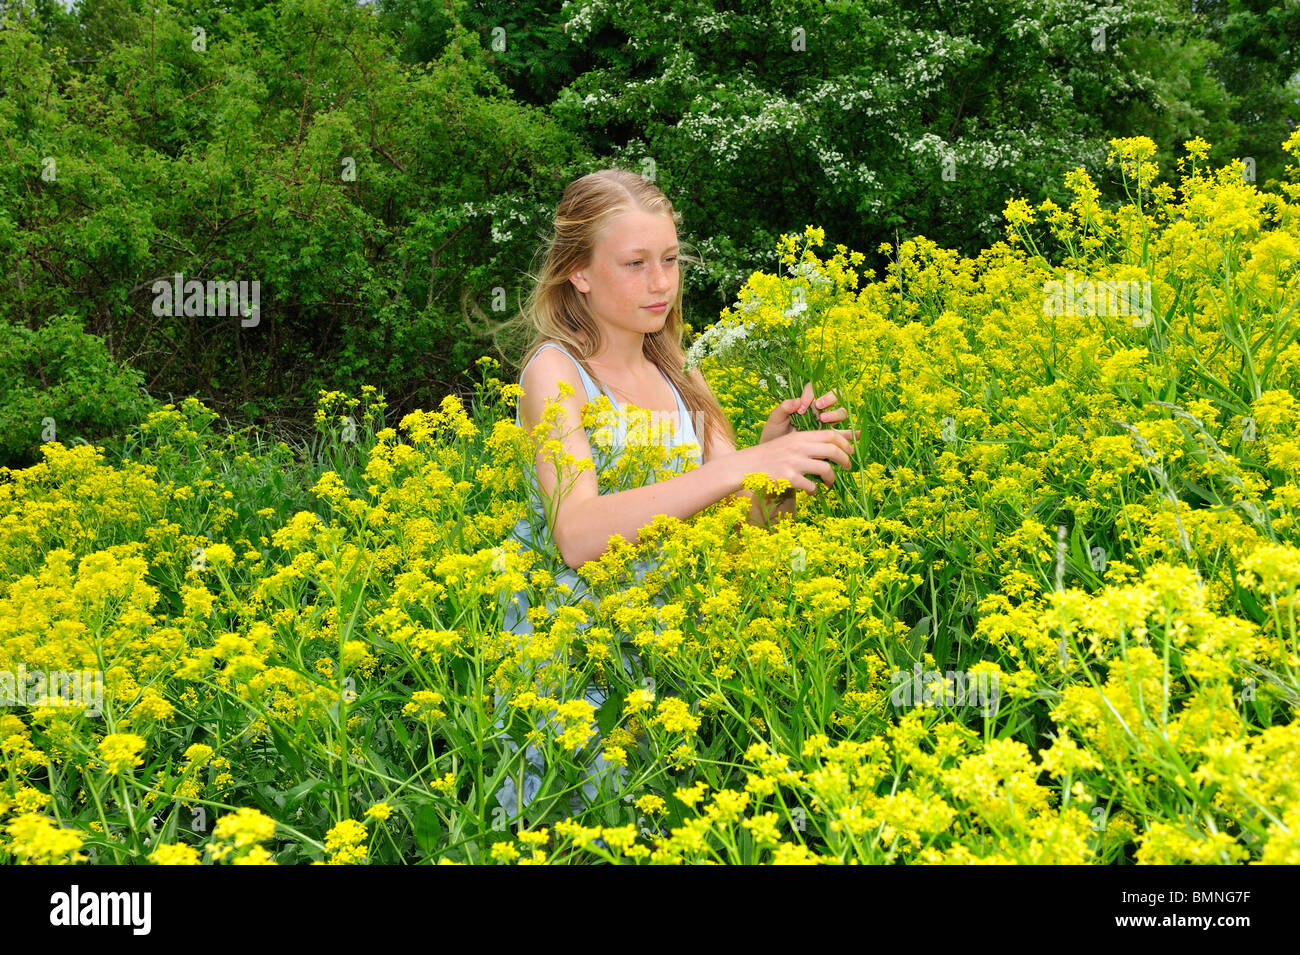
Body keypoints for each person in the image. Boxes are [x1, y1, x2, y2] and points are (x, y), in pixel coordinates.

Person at [492, 168, 859, 820]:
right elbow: (576, 533)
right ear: (578, 271)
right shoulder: (555, 372)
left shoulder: (682, 373)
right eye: (635, 264)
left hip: (672, 653)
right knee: (578, 829)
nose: (660, 282)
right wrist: (737, 465)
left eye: (669, 260)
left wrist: (773, 473)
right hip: (577, 663)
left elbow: (744, 532)